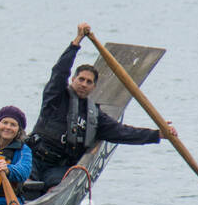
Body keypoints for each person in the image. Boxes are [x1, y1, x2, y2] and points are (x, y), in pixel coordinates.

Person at [28, 23, 175, 190]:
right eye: (81, 79)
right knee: (23, 183)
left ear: (94, 87)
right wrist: (76, 42)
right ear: (73, 80)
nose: (84, 84)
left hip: (58, 168)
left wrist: (158, 134)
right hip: (33, 158)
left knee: (53, 187)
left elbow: (123, 133)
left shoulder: (95, 116)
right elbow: (59, 71)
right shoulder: (55, 97)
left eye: (89, 82)